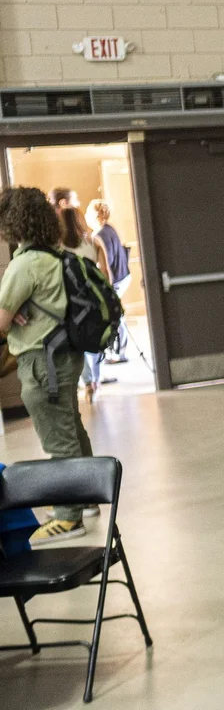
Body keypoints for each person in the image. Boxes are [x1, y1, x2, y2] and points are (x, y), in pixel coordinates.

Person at [0, 186, 95, 544]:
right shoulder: (55, 256)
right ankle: (86, 497)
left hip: (43, 364)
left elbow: (0, 322)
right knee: (71, 428)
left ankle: (69, 517)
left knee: (59, 439)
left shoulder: (24, 265)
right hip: (66, 357)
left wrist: (10, 313)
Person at [60, 206, 112, 402]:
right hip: (93, 300)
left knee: (78, 342)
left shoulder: (59, 246)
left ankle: (88, 381)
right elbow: (106, 273)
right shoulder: (93, 241)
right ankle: (96, 380)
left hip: (71, 302)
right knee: (96, 338)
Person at [87, 199, 132, 362]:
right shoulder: (109, 229)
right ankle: (118, 350)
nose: (86, 216)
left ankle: (119, 352)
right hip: (124, 275)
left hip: (115, 280)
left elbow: (106, 263)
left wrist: (106, 286)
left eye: (88, 213)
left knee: (115, 316)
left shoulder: (98, 236)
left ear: (96, 215)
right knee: (117, 315)